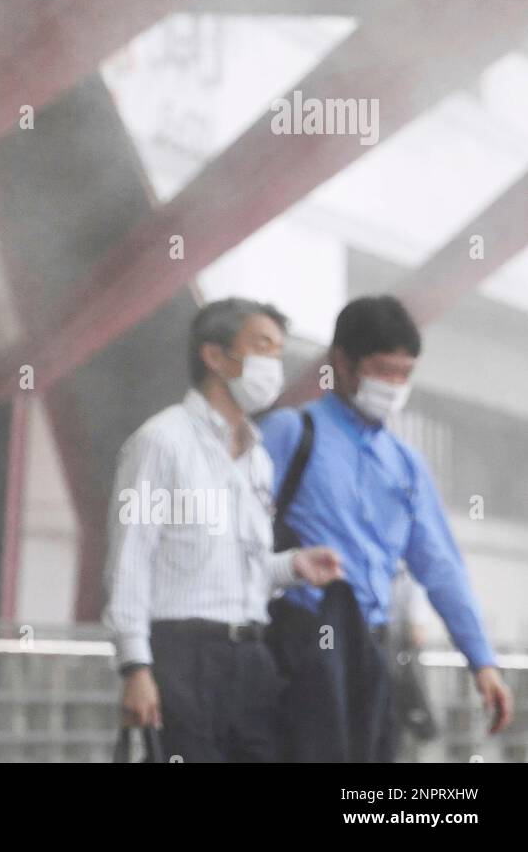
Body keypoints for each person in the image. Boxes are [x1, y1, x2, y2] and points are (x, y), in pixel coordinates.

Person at [259, 295, 513, 761]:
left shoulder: (407, 465)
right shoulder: (290, 434)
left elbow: (440, 568)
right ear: (342, 362)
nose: (394, 385)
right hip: (301, 640)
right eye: (382, 369)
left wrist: (482, 661)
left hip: (376, 647)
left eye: (404, 373)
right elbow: (230, 538)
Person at [103, 298, 342, 762]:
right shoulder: (162, 441)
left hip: (252, 658)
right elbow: (130, 558)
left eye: (278, 351)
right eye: (262, 347)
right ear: (214, 356)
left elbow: (239, 572)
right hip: (183, 659)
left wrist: (292, 566)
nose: (273, 363)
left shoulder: (257, 459)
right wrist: (136, 667)